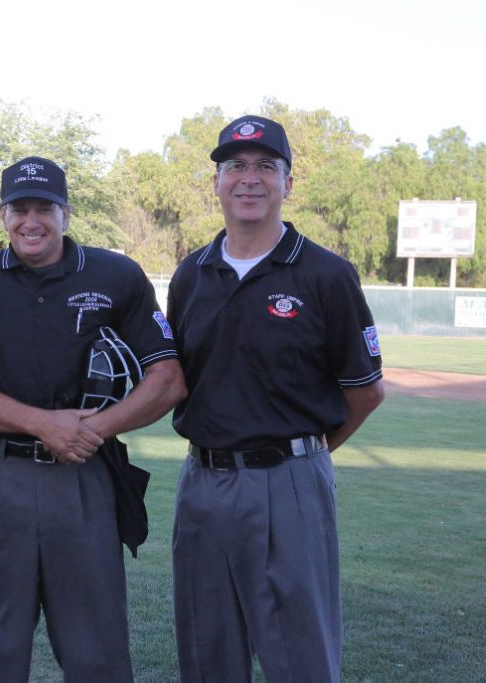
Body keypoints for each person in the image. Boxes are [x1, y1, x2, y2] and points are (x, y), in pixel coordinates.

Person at [0, 156, 186, 682]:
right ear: (3, 215)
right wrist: (44, 424)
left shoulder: (116, 275)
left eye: (44, 208)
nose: (31, 221)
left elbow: (167, 379)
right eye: (18, 208)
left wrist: (89, 430)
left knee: (96, 651)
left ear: (66, 213)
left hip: (86, 474)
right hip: (0, 476)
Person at [166, 115, 386, 682]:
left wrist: (304, 455)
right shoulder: (191, 273)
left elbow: (365, 390)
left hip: (289, 482)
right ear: (215, 182)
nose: (249, 178)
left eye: (267, 166)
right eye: (235, 166)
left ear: (288, 183)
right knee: (207, 652)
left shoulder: (326, 274)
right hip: (202, 483)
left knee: (301, 657)